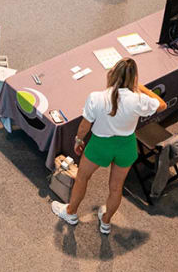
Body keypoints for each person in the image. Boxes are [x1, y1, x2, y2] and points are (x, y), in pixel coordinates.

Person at [51, 58, 164, 236]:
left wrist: (79, 141)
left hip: (100, 145)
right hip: (125, 146)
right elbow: (162, 105)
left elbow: (84, 126)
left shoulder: (97, 97)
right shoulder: (139, 100)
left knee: (82, 178)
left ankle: (71, 212)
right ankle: (106, 222)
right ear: (133, 78)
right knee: (116, 187)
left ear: (112, 74)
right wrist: (141, 87)